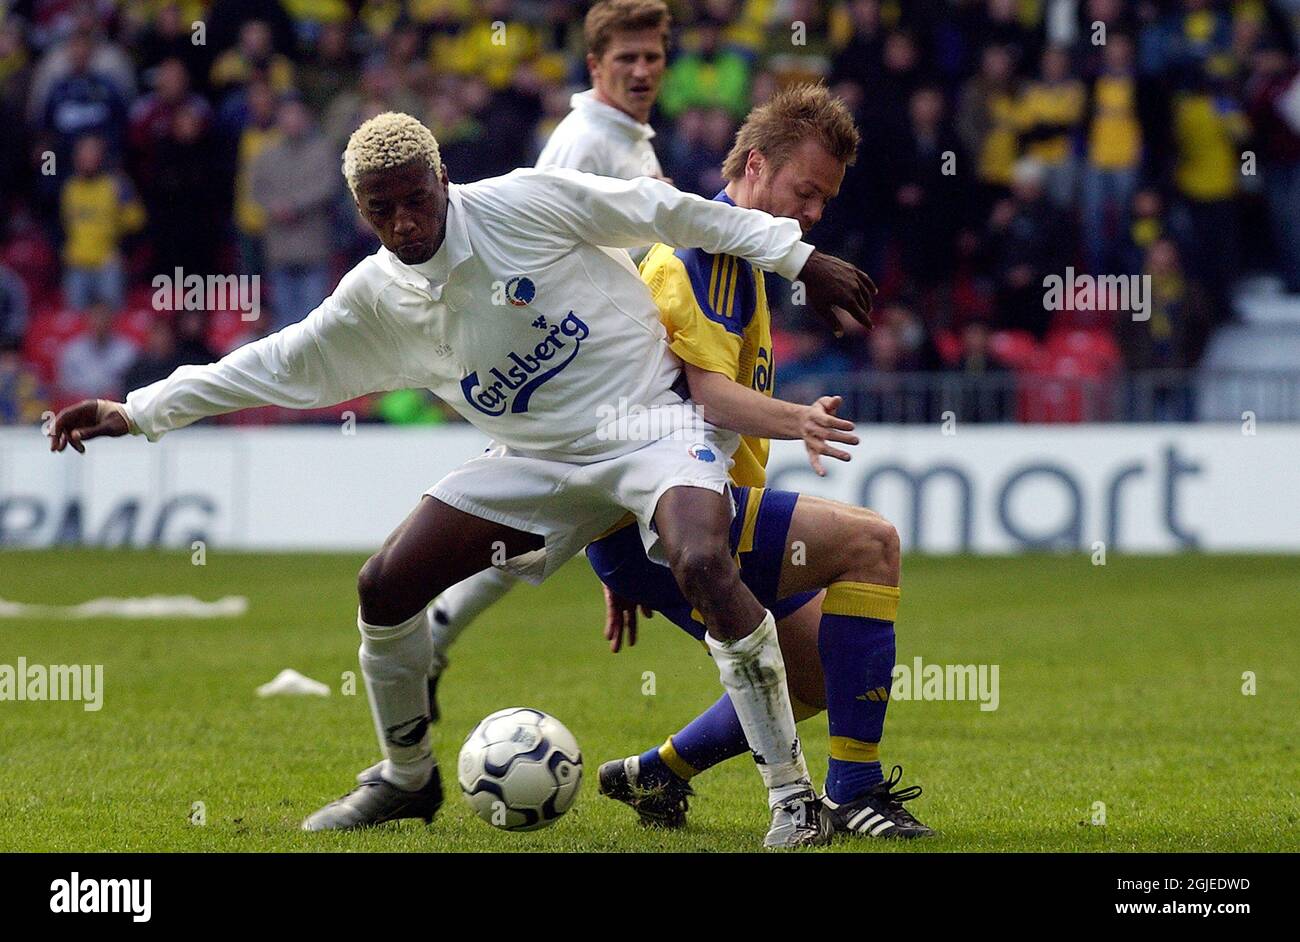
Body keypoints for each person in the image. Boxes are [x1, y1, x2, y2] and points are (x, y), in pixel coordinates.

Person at [48, 111, 877, 848]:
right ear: (361, 210)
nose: (405, 222)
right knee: (385, 584)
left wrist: (796, 255)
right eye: (383, 210)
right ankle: (406, 778)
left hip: (652, 426)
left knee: (702, 558)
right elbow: (273, 362)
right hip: (541, 463)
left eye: (417, 198)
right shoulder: (371, 300)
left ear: (444, 180)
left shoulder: (521, 201)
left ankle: (793, 801)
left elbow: (659, 209)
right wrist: (137, 410)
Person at [584, 85, 931, 839]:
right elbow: (706, 396)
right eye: (805, 191)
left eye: (825, 200)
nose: (813, 214)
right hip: (670, 514)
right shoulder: (699, 256)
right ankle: (854, 792)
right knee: (873, 544)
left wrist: (616, 547)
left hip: (658, 517)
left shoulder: (738, 256)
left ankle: (657, 775)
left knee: (811, 671)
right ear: (754, 165)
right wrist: (797, 419)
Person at [425, 0, 673, 699]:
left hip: (615, 372)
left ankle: (425, 639)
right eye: (626, 58)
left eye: (652, 56)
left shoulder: (629, 140)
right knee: (515, 528)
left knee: (526, 535)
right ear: (595, 65)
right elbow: (533, 263)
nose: (642, 69)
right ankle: (418, 639)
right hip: (582, 373)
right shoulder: (581, 144)